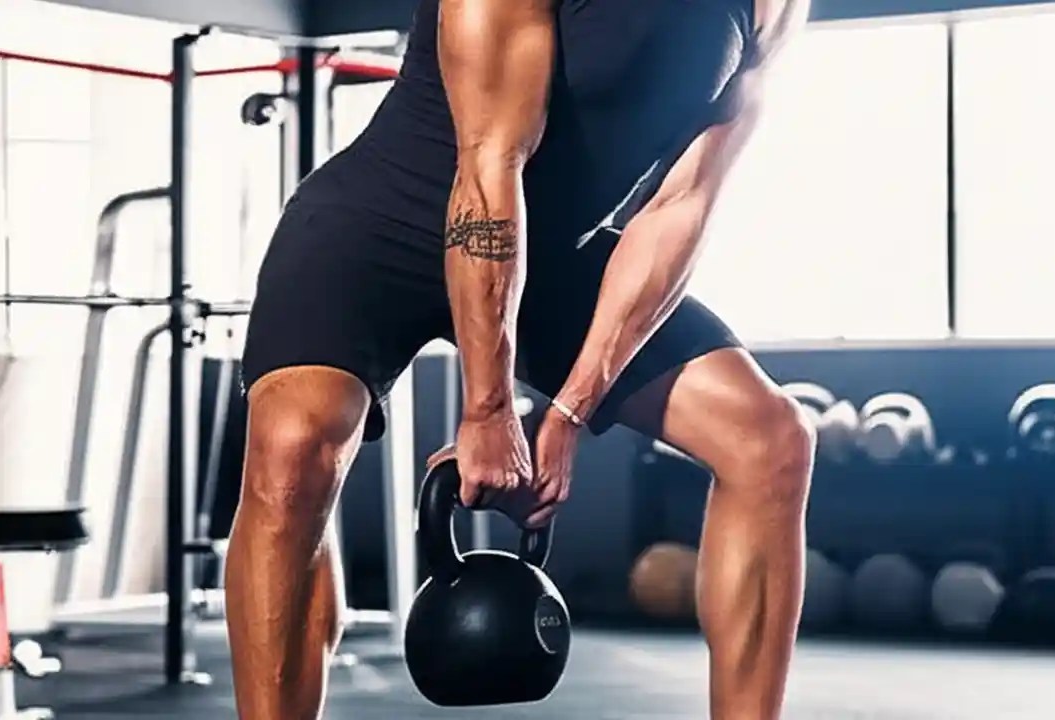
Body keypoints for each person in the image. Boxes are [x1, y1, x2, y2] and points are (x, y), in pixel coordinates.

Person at [225, 0, 812, 718]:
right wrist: (490, 409)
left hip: (552, 254)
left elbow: (679, 206)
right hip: (374, 231)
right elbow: (488, 169)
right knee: (294, 451)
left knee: (769, 440)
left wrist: (568, 410)